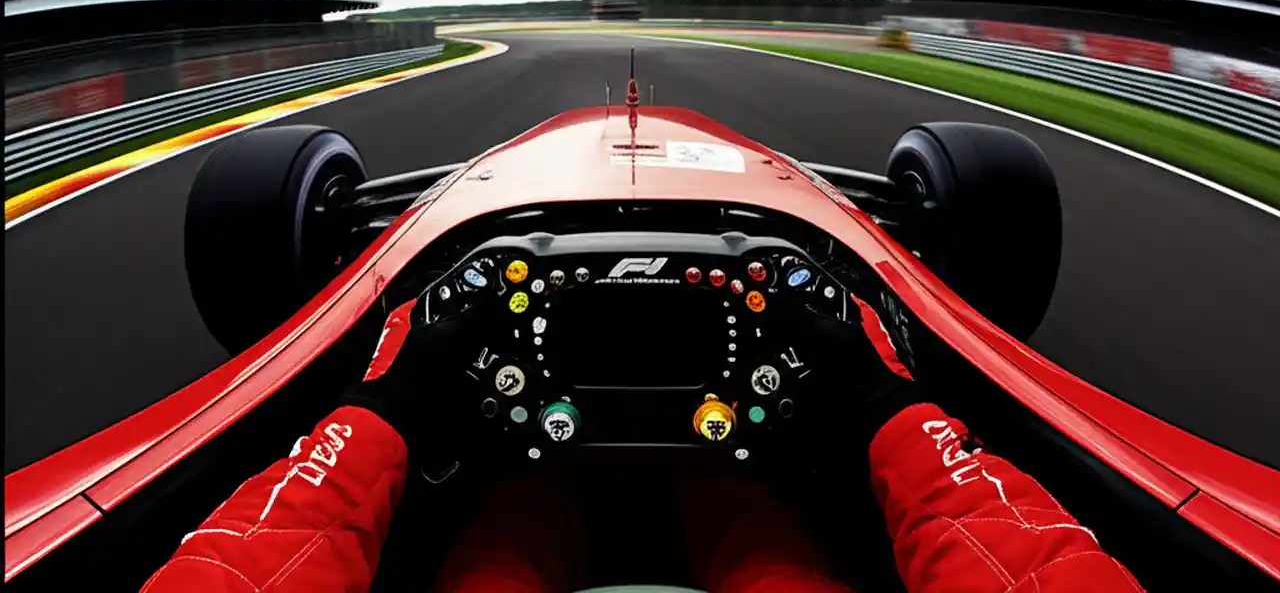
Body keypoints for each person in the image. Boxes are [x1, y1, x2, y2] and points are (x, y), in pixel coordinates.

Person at [142, 293, 1144, 593]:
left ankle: (553, 504)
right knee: (753, 527)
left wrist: (385, 410)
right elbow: (1027, 574)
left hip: (524, 497)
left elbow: (250, 571)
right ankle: (710, 498)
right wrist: (892, 406)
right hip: (741, 487)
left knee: (509, 530)